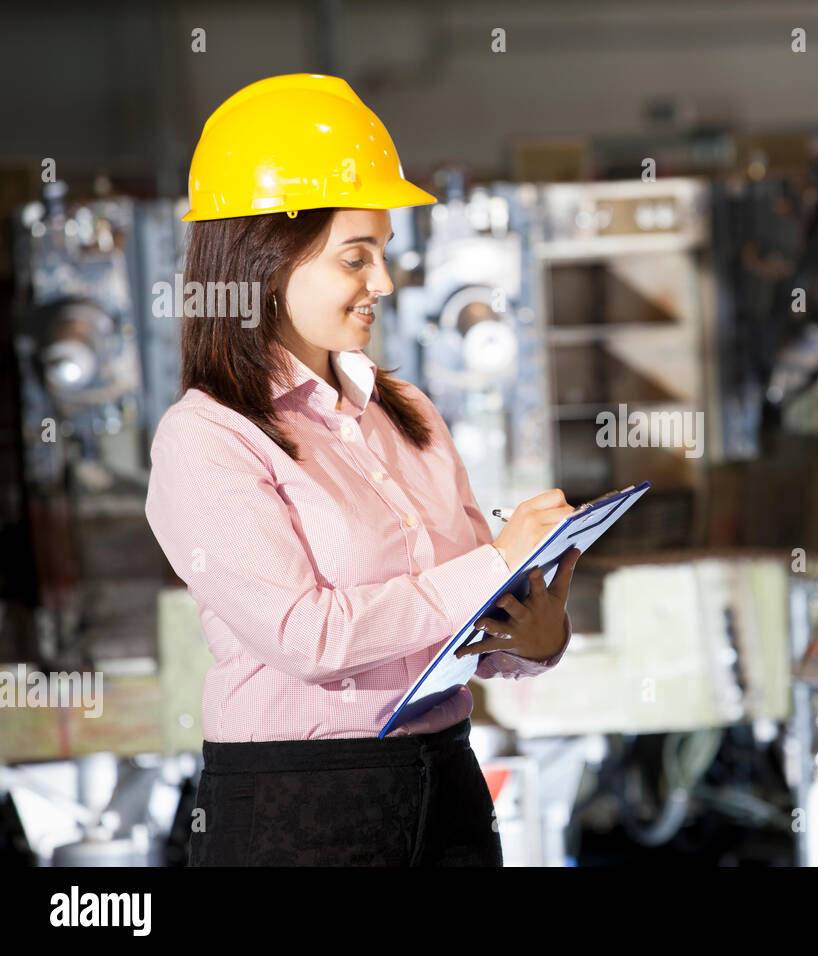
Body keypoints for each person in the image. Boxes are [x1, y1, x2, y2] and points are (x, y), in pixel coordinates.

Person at [145, 73, 579, 866]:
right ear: (266, 263)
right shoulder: (207, 439)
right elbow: (307, 637)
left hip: (447, 778)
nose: (383, 282)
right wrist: (497, 559)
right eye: (356, 257)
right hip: (299, 805)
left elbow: (456, 618)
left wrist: (532, 637)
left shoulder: (404, 411)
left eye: (383, 254)